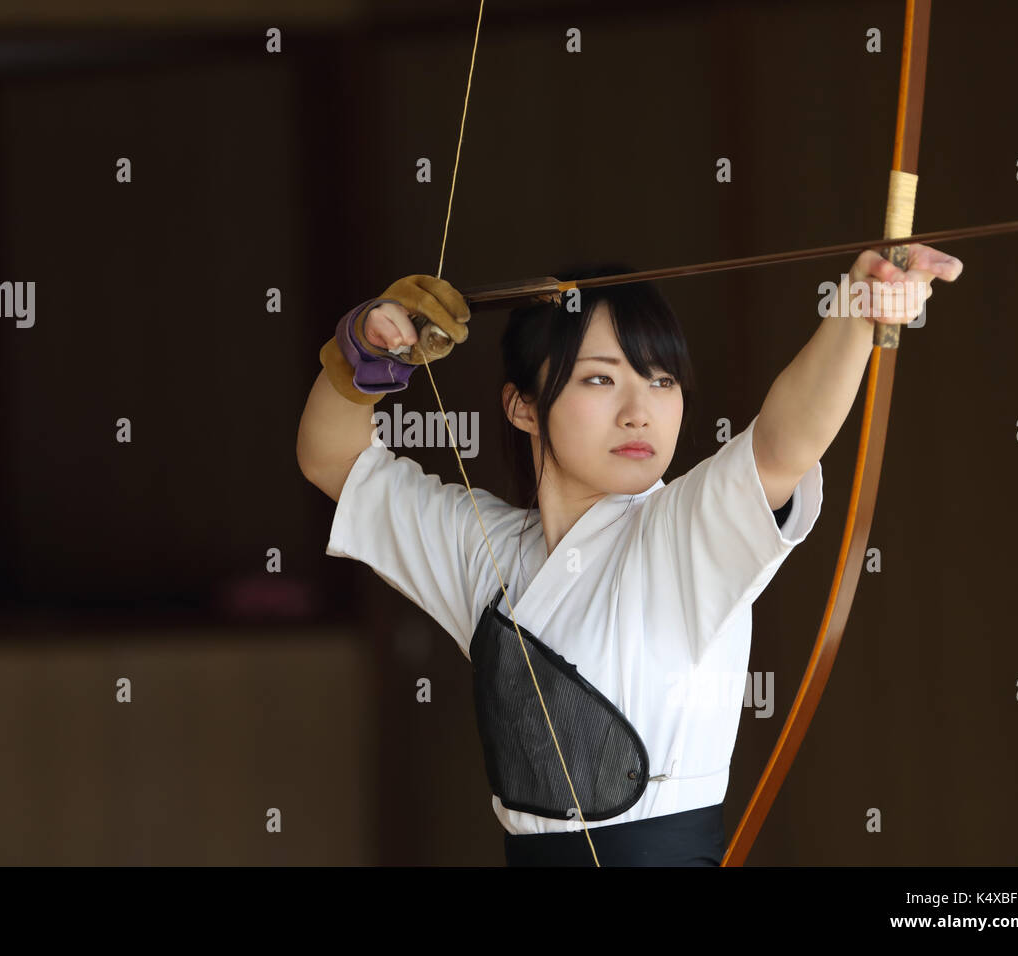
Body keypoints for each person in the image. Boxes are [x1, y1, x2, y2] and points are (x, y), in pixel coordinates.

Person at [296, 248, 961, 866]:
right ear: (523, 406)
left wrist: (856, 311)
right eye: (599, 379)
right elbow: (335, 460)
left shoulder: (680, 533)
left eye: (662, 380)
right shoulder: (486, 551)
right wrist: (366, 356)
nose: (640, 412)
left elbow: (783, 445)